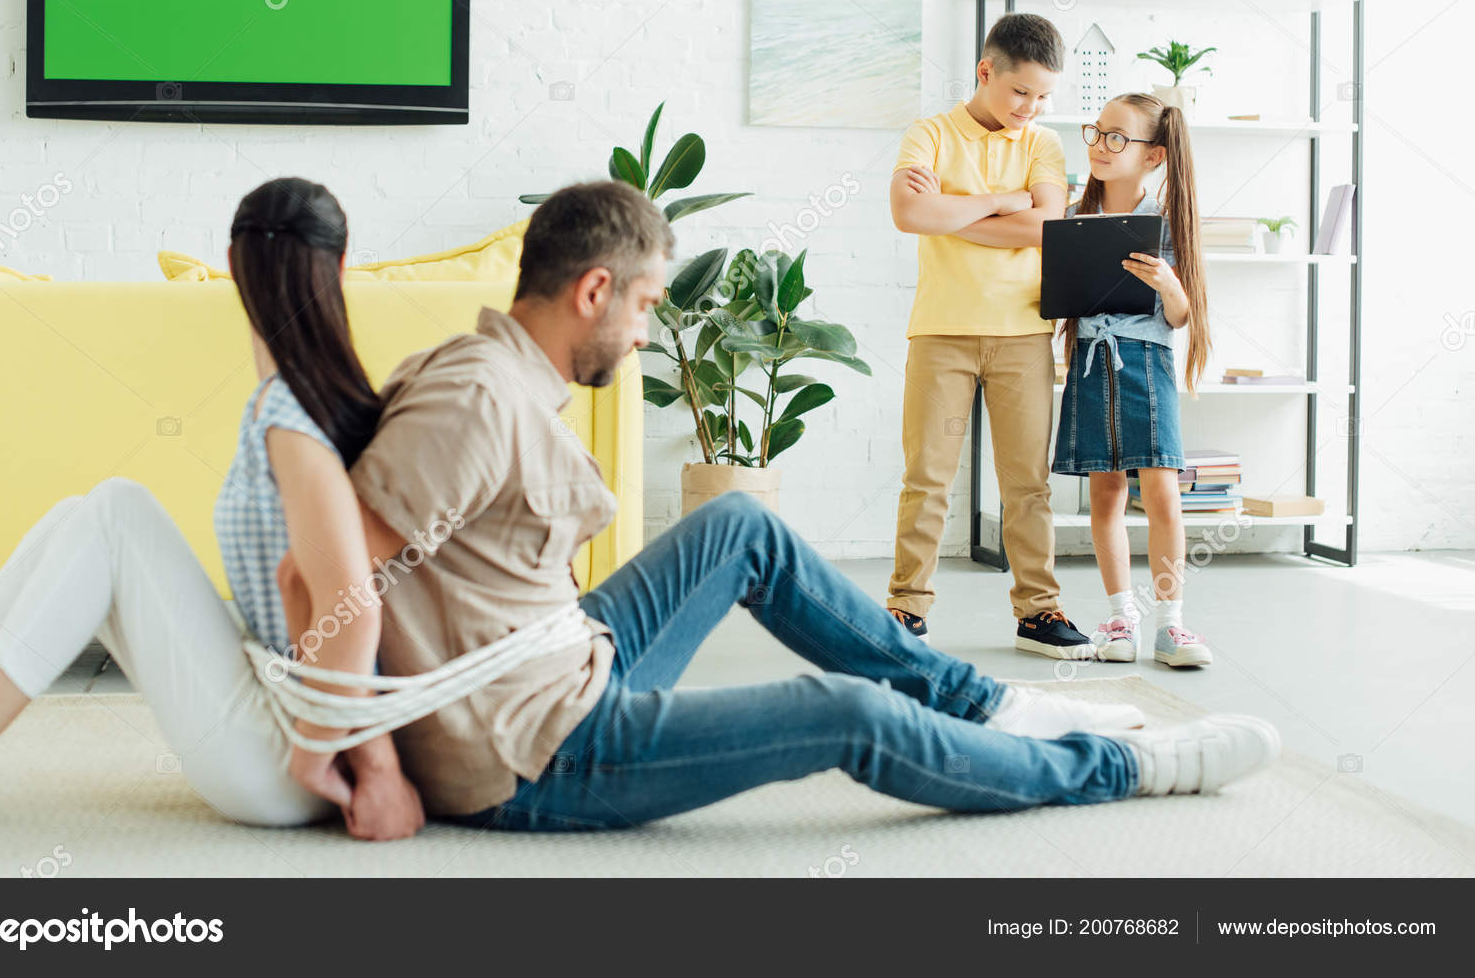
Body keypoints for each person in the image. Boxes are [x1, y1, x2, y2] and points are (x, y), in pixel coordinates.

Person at [303, 178, 1279, 833]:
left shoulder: (496, 373)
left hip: (559, 652)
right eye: (644, 308)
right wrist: (375, 763)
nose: (646, 335)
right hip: (535, 746)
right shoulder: (476, 395)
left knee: (739, 525)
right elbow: (328, 576)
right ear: (594, 290)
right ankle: (1118, 767)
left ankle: (991, 705)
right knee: (842, 712)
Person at [0, 179, 423, 838]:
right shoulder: (302, 402)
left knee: (113, 513)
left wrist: (365, 769)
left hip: (280, 762)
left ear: (229, 266)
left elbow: (351, 612)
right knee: (83, 514)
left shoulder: (290, 417)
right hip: (276, 721)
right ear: (339, 267)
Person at [885, 12, 1093, 657]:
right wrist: (1001, 202)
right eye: (1020, 92)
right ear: (986, 72)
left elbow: (1047, 224)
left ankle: (1039, 612)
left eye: (1042, 96)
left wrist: (951, 213)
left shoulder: (1043, 144)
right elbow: (908, 212)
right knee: (928, 478)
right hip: (942, 333)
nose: (1031, 107)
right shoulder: (930, 134)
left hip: (1023, 333)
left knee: (1027, 483)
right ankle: (905, 609)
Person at [1054, 94, 1213, 668]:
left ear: (1154, 156)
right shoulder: (1072, 217)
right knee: (1105, 492)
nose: (1099, 144)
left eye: (1117, 137)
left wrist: (1170, 286)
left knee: (1164, 493)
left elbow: (1180, 315)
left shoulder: (1169, 225)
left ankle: (1172, 625)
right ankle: (1121, 618)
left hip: (1150, 365)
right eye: (1096, 132)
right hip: (1094, 363)